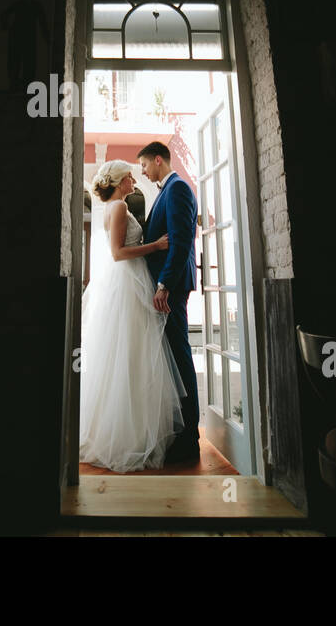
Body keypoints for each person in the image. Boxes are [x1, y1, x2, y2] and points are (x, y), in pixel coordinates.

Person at [78, 160, 188, 472]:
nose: (133, 179)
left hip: (129, 281)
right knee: (129, 354)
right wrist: (155, 245)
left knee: (133, 356)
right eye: (128, 176)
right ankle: (126, 437)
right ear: (118, 181)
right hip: (127, 284)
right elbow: (117, 253)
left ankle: (134, 431)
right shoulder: (118, 209)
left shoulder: (118, 207)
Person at [138, 141, 202, 462]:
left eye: (146, 166)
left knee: (180, 355)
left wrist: (164, 283)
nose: (144, 173)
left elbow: (180, 240)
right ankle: (182, 433)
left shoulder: (177, 189)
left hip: (172, 288)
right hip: (168, 286)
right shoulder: (168, 190)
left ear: (158, 160)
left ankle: (190, 439)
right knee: (175, 357)